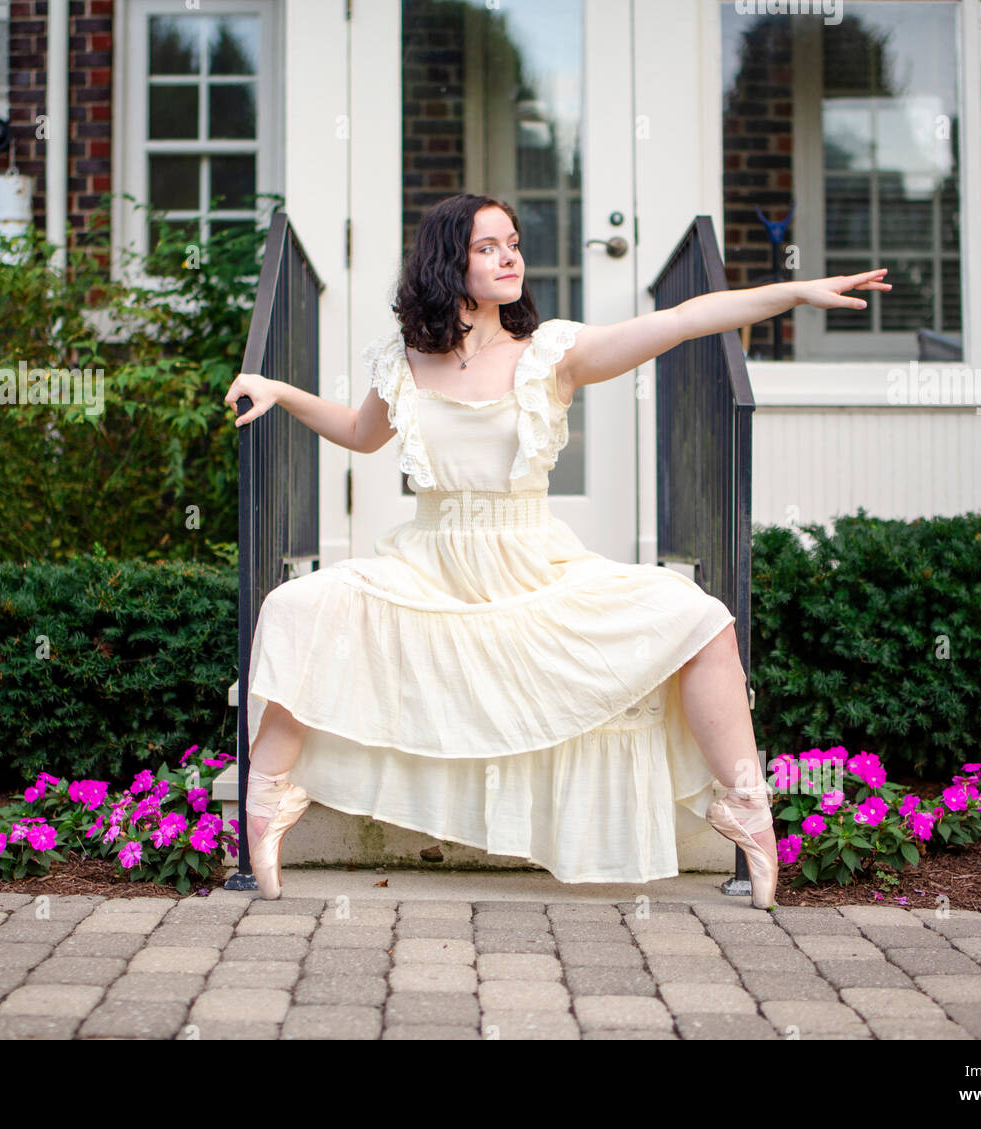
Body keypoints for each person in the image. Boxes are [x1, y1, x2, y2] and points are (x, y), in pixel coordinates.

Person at [224, 193, 890, 908]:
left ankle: (745, 806)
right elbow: (361, 432)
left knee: (699, 619)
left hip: (531, 560)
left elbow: (680, 319)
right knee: (296, 607)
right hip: (431, 562)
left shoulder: (551, 355)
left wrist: (794, 292)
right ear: (451, 261)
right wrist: (278, 389)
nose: (510, 257)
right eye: (488, 247)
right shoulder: (406, 359)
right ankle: (267, 806)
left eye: (513, 243)